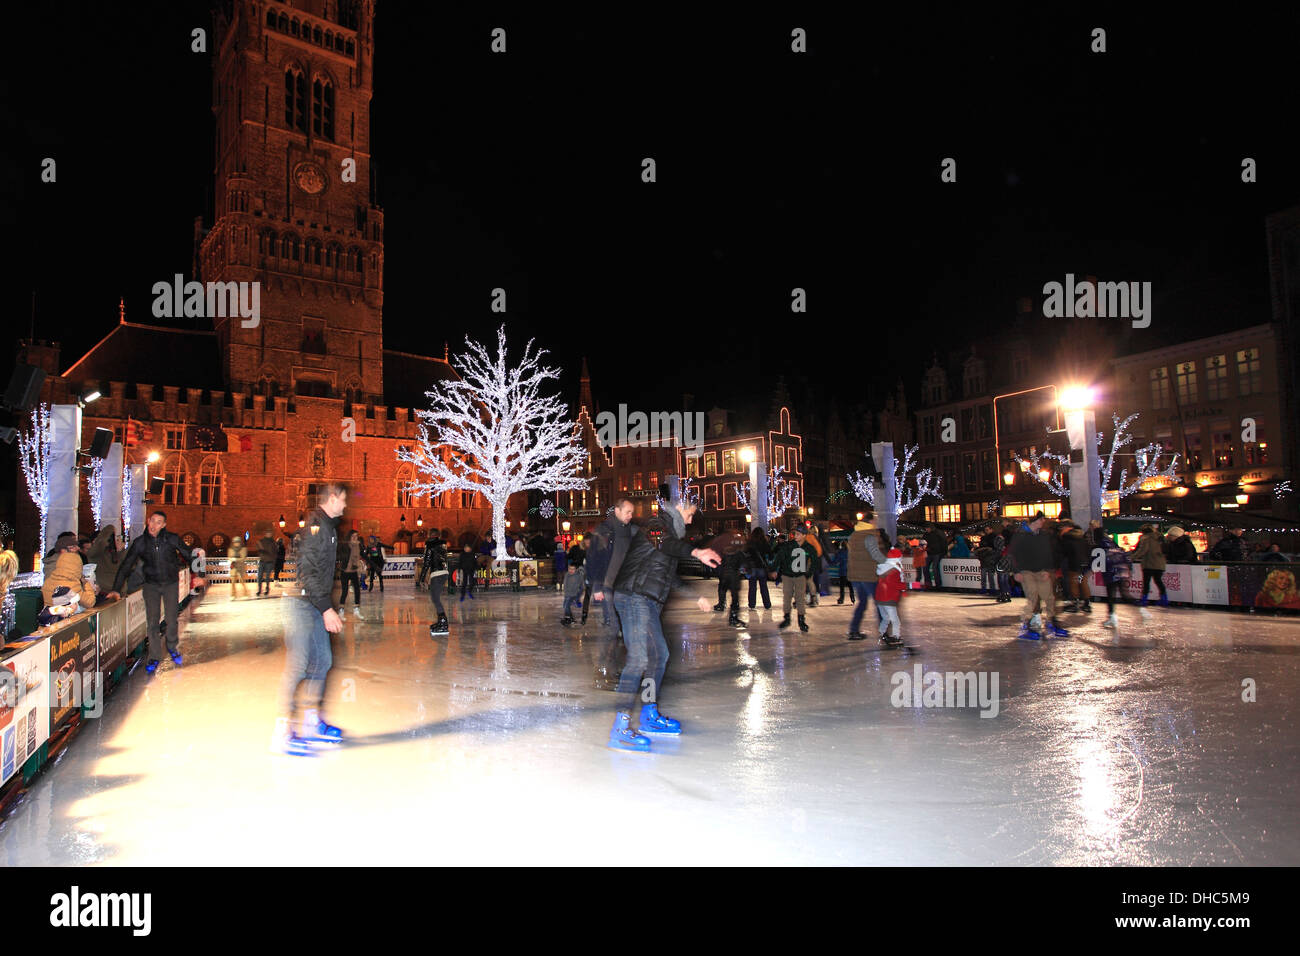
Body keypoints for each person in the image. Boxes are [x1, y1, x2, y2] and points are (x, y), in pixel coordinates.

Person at [599, 496, 719, 750]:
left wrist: (695, 596)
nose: (690, 519)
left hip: (648, 601)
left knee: (659, 656)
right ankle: (620, 728)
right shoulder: (657, 526)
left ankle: (648, 714)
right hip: (633, 597)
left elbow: (668, 576)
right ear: (677, 507)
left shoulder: (672, 537)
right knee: (640, 660)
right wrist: (696, 552)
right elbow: (663, 544)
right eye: (689, 513)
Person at [272, 481, 348, 756]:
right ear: (331, 499)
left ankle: (311, 721)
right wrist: (326, 608)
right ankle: (282, 731)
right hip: (299, 602)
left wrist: (325, 605)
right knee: (298, 664)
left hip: (313, 602)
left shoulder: (328, 527)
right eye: (342, 499)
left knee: (324, 661)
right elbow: (307, 570)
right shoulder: (315, 525)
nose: (345, 504)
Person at [106, 510, 199, 673]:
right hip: (151, 585)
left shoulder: (171, 539)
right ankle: (154, 656)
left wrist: (199, 574)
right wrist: (116, 589)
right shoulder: (140, 543)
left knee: (171, 618)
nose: (154, 525)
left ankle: (172, 646)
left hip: (170, 583)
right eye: (152, 521)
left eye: (158, 522)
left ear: (163, 525)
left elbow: (190, 555)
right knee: (153, 622)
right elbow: (126, 566)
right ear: (148, 521)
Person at [1009, 511, 1068, 639]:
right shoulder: (1020, 535)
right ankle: (1025, 625)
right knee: (1033, 596)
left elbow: (1047, 553)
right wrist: (1016, 571)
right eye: (1042, 520)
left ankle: (1052, 622)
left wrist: (1047, 570)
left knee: (1050, 597)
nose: (1043, 522)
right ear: (1036, 521)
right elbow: (1012, 553)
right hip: (1025, 571)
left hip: (1041, 570)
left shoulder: (1043, 535)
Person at [847, 515, 888, 641]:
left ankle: (854, 630)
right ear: (870, 521)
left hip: (856, 575)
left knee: (862, 603)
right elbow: (875, 554)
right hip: (868, 575)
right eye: (875, 520)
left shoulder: (853, 535)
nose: (876, 523)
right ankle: (885, 633)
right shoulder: (869, 535)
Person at [773, 526, 819, 632]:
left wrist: (809, 573)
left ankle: (801, 620)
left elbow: (815, 561)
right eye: (795, 534)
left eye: (798, 534)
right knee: (787, 597)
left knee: (800, 598)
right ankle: (787, 618)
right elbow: (779, 557)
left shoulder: (808, 547)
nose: (795, 536)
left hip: (800, 576)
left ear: (804, 535)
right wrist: (774, 569)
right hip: (787, 575)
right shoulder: (788, 546)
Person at [1098, 536, 1147, 631]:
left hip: (1111, 575)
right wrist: (1129, 571)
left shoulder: (1102, 551)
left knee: (1111, 597)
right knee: (1124, 595)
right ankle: (1141, 609)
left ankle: (1112, 618)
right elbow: (1128, 560)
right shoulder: (1119, 549)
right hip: (1122, 574)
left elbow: (1096, 564)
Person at [42, 531, 98, 610]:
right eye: (73, 547)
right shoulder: (61, 569)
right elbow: (89, 602)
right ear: (63, 550)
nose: (77, 549)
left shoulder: (64, 564)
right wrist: (86, 584)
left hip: (54, 614)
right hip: (65, 614)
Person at [874, 539, 906, 648]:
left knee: (885, 618)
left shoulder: (883, 568)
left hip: (879, 598)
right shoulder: (895, 570)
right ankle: (896, 636)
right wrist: (905, 588)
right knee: (895, 620)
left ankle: (882, 634)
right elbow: (896, 584)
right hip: (888, 598)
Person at [1129, 523, 1168, 608]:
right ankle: (1164, 599)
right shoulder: (1160, 537)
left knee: (1146, 582)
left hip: (1149, 563)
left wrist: (1132, 557)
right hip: (1160, 563)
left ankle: (1144, 600)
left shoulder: (1146, 538)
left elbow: (1142, 550)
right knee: (1159, 581)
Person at [1060, 521, 1092, 613]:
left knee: (1074, 582)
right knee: (1082, 581)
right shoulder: (1082, 537)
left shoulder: (1068, 538)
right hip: (1083, 564)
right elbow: (1088, 550)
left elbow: (1065, 551)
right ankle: (1087, 603)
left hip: (1074, 564)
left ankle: (1075, 603)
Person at [86, 523, 123, 597]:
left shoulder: (116, 554)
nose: (118, 541)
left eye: (119, 539)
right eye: (115, 538)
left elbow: (127, 568)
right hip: (104, 592)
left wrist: (120, 552)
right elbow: (100, 543)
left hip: (120, 591)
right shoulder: (97, 555)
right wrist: (110, 529)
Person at [713, 542, 745, 626]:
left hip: (725, 576)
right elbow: (743, 563)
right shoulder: (739, 553)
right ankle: (733, 617)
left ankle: (721, 604)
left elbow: (719, 562)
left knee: (722, 589)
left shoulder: (724, 552)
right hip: (734, 577)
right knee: (735, 597)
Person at [744, 527, 774, 610]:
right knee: (763, 586)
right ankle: (767, 604)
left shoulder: (749, 543)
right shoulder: (764, 542)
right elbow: (771, 554)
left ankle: (752, 604)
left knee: (752, 587)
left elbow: (745, 553)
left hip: (752, 567)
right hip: (761, 567)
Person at [426, 538, 450, 635]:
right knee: (436, 599)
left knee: (435, 599)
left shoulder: (430, 548)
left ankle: (443, 623)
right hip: (444, 573)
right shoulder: (443, 548)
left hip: (436, 574)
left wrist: (422, 579)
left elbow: (426, 563)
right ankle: (441, 621)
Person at [340, 530, 364, 617]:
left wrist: (374, 565)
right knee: (345, 591)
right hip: (345, 571)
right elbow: (340, 556)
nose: (355, 538)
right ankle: (341, 610)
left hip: (353, 571)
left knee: (357, 590)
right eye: (353, 536)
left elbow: (363, 556)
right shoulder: (345, 546)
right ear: (349, 537)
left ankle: (356, 609)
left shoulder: (358, 546)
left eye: (356, 536)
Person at [561, 538, 586, 626]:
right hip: (579, 567)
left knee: (566, 605)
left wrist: (577, 594)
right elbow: (566, 582)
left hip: (573, 592)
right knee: (565, 605)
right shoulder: (584, 550)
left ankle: (568, 617)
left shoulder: (574, 548)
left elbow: (581, 586)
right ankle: (569, 617)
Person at [923, 524, 947, 588]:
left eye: (927, 528)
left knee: (935, 568)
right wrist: (925, 549)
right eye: (926, 528)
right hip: (929, 553)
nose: (926, 530)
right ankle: (928, 583)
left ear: (931, 528)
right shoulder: (926, 534)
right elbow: (923, 543)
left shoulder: (939, 533)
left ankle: (938, 584)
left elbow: (944, 542)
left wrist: (944, 552)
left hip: (937, 553)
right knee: (925, 568)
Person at [256, 530, 277, 596]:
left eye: (269, 533)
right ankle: (259, 590)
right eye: (267, 533)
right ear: (265, 534)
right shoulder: (261, 541)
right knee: (259, 576)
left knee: (267, 577)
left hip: (269, 562)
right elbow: (259, 550)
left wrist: (273, 562)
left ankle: (267, 589)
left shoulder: (273, 542)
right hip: (262, 561)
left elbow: (275, 553)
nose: (268, 534)